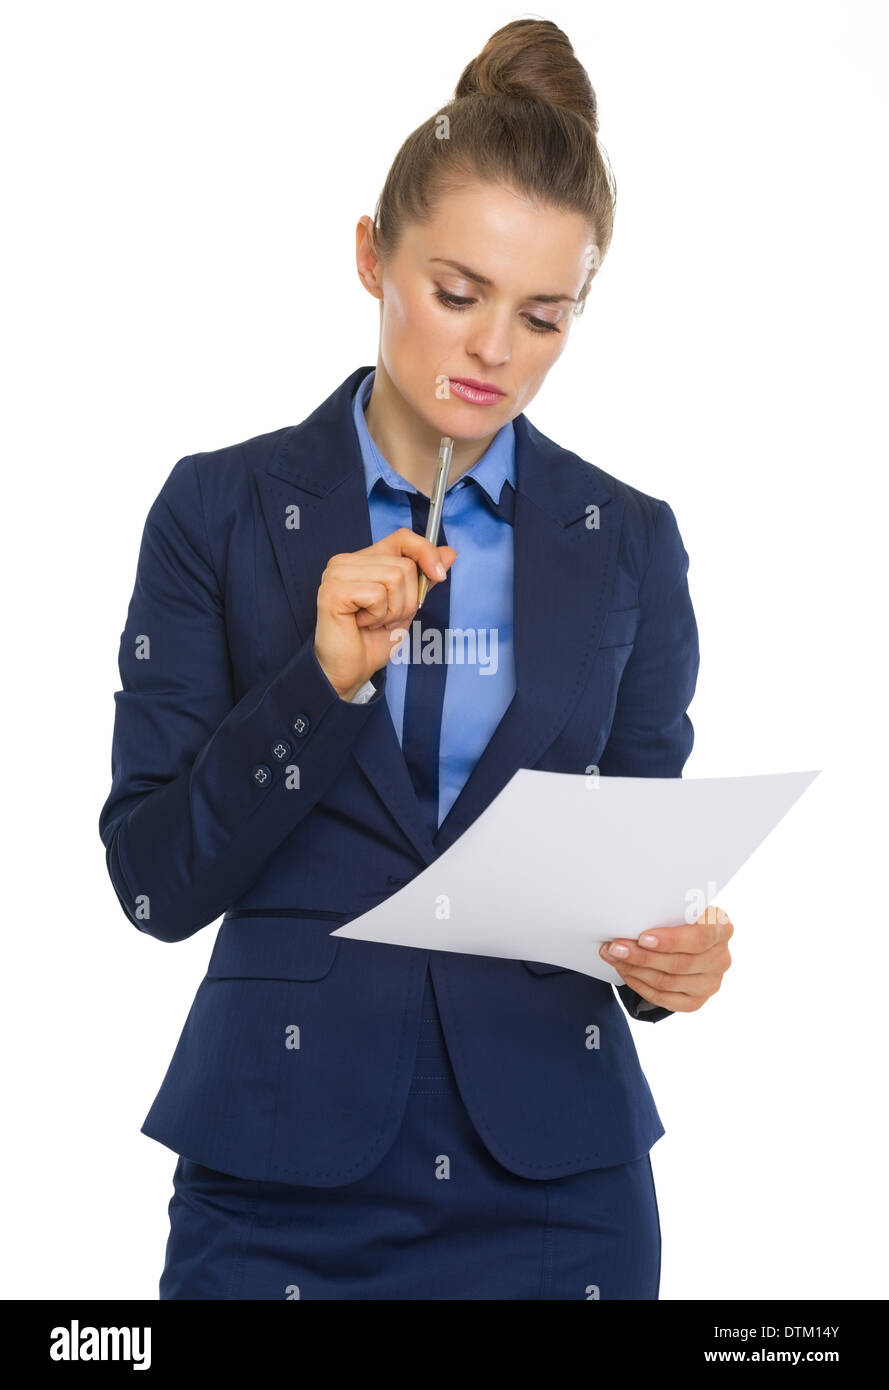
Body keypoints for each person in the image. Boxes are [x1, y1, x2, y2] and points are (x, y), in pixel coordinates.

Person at [99, 17, 733, 1301]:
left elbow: (638, 874)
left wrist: (676, 966)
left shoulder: (628, 545)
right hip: (275, 1172)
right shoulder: (216, 512)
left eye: (544, 315)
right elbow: (153, 884)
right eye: (456, 294)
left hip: (557, 1192)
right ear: (369, 257)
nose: (495, 352)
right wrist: (317, 684)